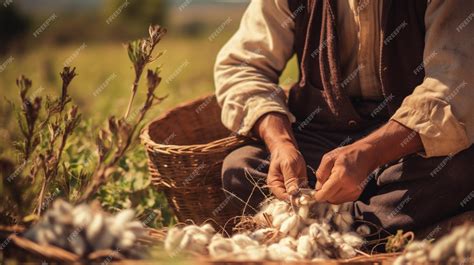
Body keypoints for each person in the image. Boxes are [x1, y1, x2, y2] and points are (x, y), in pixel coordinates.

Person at [214, 0, 474, 234]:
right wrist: (281, 143)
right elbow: (242, 66)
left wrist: (368, 153)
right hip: (322, 139)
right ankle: (371, 226)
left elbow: (453, 87)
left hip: (406, 146)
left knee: (459, 171)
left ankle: (325, 229)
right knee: (240, 167)